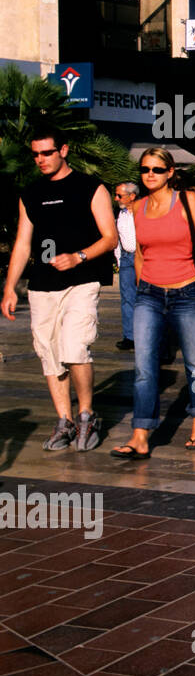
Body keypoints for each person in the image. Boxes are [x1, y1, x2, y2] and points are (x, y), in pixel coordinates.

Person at [2, 132, 117, 452]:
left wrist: (78, 256)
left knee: (74, 347)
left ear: (63, 150)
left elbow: (110, 238)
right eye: (36, 154)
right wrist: (10, 287)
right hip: (41, 287)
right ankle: (64, 419)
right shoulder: (31, 193)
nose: (40, 159)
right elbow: (23, 244)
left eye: (47, 152)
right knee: (49, 354)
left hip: (82, 281)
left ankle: (86, 415)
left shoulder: (90, 187)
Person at [112, 148, 195, 457]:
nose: (149, 174)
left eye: (157, 170)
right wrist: (141, 284)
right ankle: (140, 434)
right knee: (144, 367)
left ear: (170, 172)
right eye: (145, 169)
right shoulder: (138, 207)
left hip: (187, 292)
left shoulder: (188, 202)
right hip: (149, 295)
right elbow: (141, 251)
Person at [114, 181, 139, 351]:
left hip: (143, 258)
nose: (116, 198)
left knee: (148, 298)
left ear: (132, 196)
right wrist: (119, 260)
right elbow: (116, 238)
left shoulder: (143, 212)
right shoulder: (120, 214)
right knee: (127, 299)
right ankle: (130, 337)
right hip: (126, 259)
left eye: (119, 195)